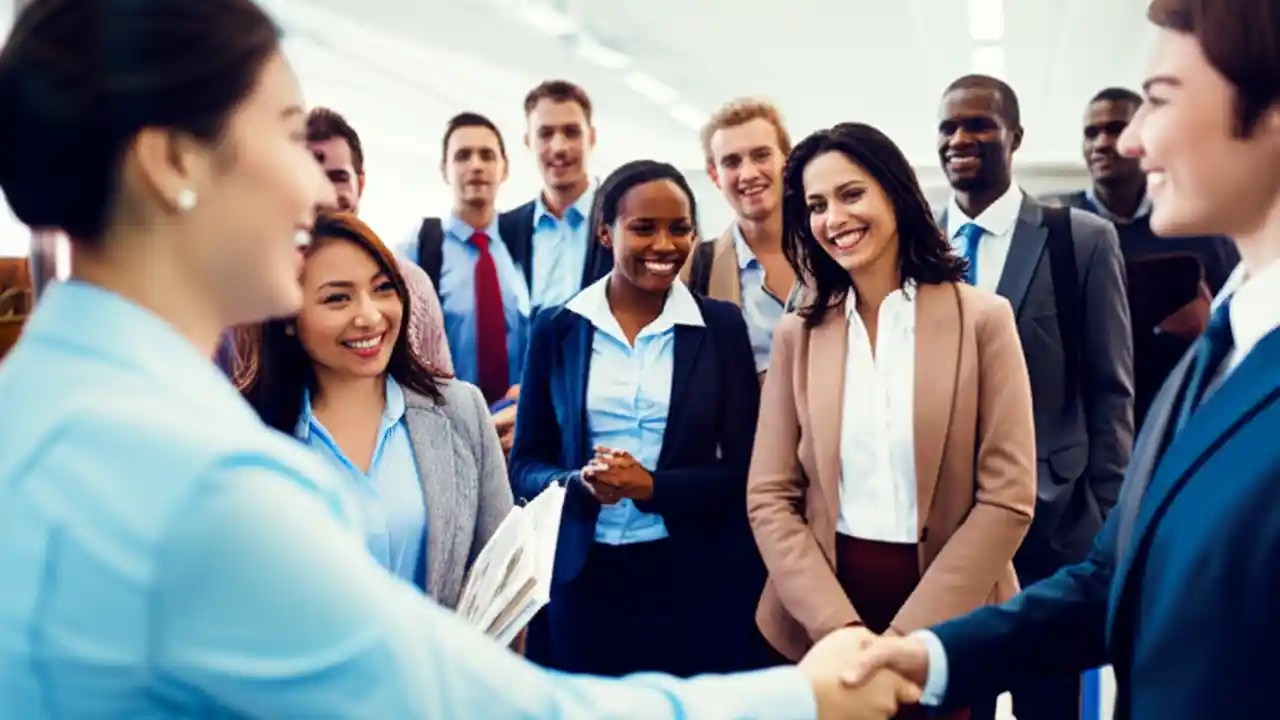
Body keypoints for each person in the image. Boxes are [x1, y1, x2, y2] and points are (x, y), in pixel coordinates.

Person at [0, 0, 921, 717]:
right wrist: (806, 697)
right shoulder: (197, 481)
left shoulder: (43, 403)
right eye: (286, 135)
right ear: (173, 163)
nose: (312, 184)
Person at [843, 1, 1280, 718]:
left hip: (1052, 514)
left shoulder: (1083, 243)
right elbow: (1115, 576)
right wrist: (930, 655)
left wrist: (1088, 506)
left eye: (1158, 102)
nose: (1131, 142)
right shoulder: (1229, 339)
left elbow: (1110, 397)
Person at [749, 122, 1036, 720]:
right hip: (824, 608)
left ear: (895, 195)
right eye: (817, 205)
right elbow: (771, 496)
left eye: (852, 194)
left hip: (950, 608)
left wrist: (906, 639)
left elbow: (1008, 497)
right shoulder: (798, 334)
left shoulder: (984, 320)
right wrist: (842, 632)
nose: (834, 219)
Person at [508, 160, 775, 677]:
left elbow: (746, 471)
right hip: (583, 578)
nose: (664, 245)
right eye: (643, 228)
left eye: (679, 229)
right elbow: (525, 465)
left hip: (691, 577)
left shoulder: (719, 327)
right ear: (606, 233)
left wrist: (652, 487)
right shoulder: (557, 329)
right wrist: (578, 482)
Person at [934, 72, 1135, 720]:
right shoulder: (913, 246)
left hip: (1053, 527)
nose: (960, 139)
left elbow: (1111, 391)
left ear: (1014, 137)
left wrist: (1102, 516)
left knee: (1049, 706)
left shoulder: (1078, 238)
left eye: (978, 125)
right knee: (949, 700)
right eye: (948, 127)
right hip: (941, 536)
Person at [243, 211, 511, 603]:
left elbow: (502, 575)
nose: (369, 316)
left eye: (383, 288)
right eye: (338, 298)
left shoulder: (459, 410)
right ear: (286, 315)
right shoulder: (246, 435)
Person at [306, 107, 453, 372]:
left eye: (338, 178)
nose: (325, 194)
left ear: (360, 184)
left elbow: (442, 395)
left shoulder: (413, 285)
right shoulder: (261, 297)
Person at [681, 97, 799, 379]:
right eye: (732, 162)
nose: (748, 174)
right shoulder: (698, 270)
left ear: (786, 160)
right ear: (714, 175)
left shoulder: (833, 250)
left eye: (761, 155)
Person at [500, 79, 612, 316]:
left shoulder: (621, 221)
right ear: (528, 142)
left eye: (571, 132)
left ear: (591, 138)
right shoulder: (504, 232)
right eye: (545, 134)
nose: (559, 147)